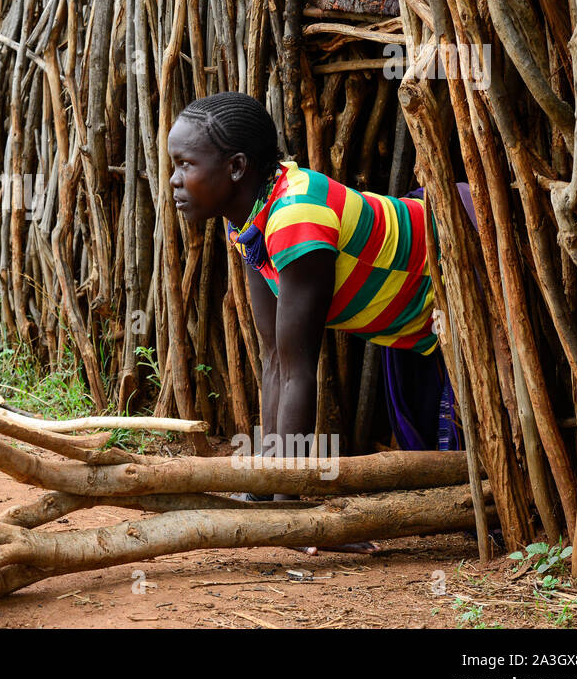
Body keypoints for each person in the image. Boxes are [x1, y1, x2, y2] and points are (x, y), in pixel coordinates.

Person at [168, 91, 466, 552]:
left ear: (237, 167)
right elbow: (272, 358)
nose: (174, 180)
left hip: (459, 263)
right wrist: (266, 493)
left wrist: (291, 517)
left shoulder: (295, 218)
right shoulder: (250, 218)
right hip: (412, 308)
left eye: (186, 164)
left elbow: (300, 371)